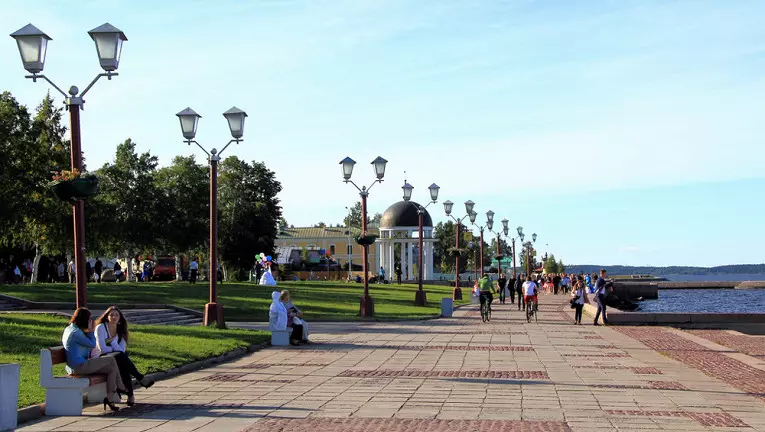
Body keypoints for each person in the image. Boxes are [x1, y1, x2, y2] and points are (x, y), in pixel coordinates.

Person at [62, 308, 127, 412]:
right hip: (79, 366)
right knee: (110, 360)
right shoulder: (75, 333)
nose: (90, 321)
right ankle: (120, 386)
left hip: (76, 365)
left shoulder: (70, 328)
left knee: (111, 368)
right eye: (88, 319)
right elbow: (92, 344)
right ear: (84, 320)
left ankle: (110, 398)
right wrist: (91, 331)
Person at [95, 306, 154, 406]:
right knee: (121, 358)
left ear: (120, 318)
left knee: (123, 364)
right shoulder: (101, 328)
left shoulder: (121, 330)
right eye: (111, 315)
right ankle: (139, 380)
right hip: (101, 358)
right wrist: (114, 346)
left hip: (117, 357)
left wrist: (112, 342)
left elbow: (121, 350)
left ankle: (131, 394)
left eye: (116, 315)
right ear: (106, 316)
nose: (114, 317)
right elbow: (102, 349)